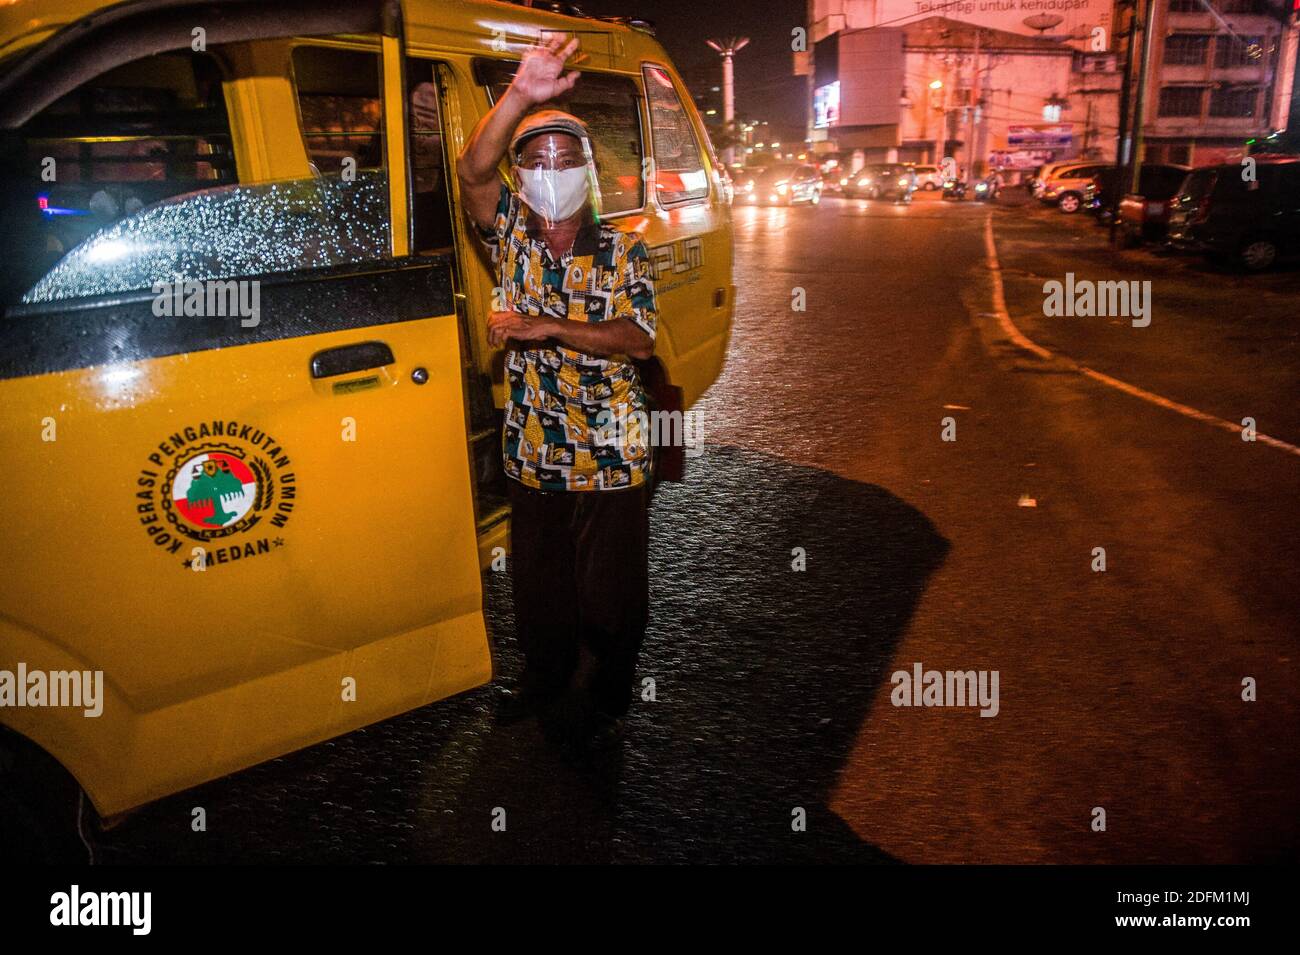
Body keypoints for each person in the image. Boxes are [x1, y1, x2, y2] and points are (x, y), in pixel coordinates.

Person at [456, 35, 658, 750]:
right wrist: (520, 96)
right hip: (535, 446)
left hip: (610, 447)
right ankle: (542, 679)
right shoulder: (512, 233)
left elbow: (638, 337)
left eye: (566, 158)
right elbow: (471, 170)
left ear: (588, 171)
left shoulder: (623, 248)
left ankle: (607, 686)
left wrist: (546, 325)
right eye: (536, 160)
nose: (551, 170)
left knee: (611, 591)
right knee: (538, 588)